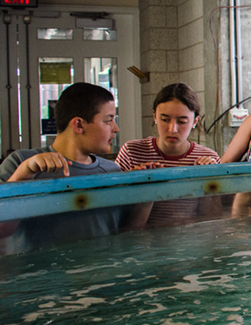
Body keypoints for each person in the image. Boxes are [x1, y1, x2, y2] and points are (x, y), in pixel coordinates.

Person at [0, 83, 150, 254]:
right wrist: (24, 175)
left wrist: (145, 191)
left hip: (99, 276)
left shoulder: (112, 171)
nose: (116, 128)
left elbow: (126, 233)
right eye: (108, 120)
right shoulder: (21, 162)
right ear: (79, 125)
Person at [115, 83, 222, 227]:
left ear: (195, 121)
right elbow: (116, 215)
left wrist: (207, 181)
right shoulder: (132, 152)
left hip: (188, 240)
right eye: (165, 120)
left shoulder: (208, 158)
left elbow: (212, 220)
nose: (173, 129)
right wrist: (136, 183)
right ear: (154, 116)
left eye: (182, 121)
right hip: (143, 243)